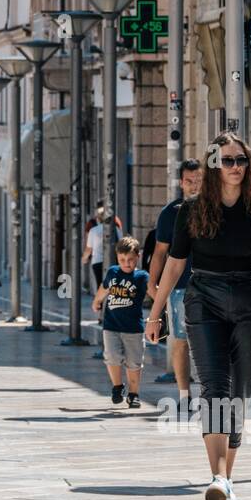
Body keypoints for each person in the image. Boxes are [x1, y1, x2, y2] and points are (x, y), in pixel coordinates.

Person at [145, 132, 251, 500]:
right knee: (215, 387)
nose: (234, 167)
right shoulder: (191, 211)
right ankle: (218, 476)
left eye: (240, 160)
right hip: (203, 298)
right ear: (213, 165)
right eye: (226, 160)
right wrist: (155, 315)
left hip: (248, 301)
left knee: (240, 391)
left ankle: (229, 479)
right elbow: (174, 265)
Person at [149, 159, 204, 400]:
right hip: (180, 287)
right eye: (190, 181)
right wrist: (152, 282)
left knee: (209, 342)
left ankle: (211, 392)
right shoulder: (171, 213)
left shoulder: (217, 209)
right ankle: (184, 394)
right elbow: (160, 252)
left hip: (211, 284)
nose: (195, 186)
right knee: (181, 340)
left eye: (199, 180)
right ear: (181, 183)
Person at [93, 237, 151, 408]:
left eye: (130, 260)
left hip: (133, 328)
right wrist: (97, 301)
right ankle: (117, 387)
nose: (126, 263)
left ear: (138, 257)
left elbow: (154, 292)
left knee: (134, 362)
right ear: (117, 258)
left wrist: (163, 305)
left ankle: (134, 394)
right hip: (111, 325)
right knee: (111, 357)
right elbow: (105, 288)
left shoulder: (142, 276)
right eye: (122, 260)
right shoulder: (113, 272)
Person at [81, 205, 123, 292]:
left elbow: (89, 249)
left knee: (100, 284)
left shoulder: (93, 230)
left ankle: (99, 303)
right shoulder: (116, 229)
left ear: (98, 218)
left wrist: (84, 258)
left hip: (97, 261)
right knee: (113, 284)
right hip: (113, 260)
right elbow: (121, 245)